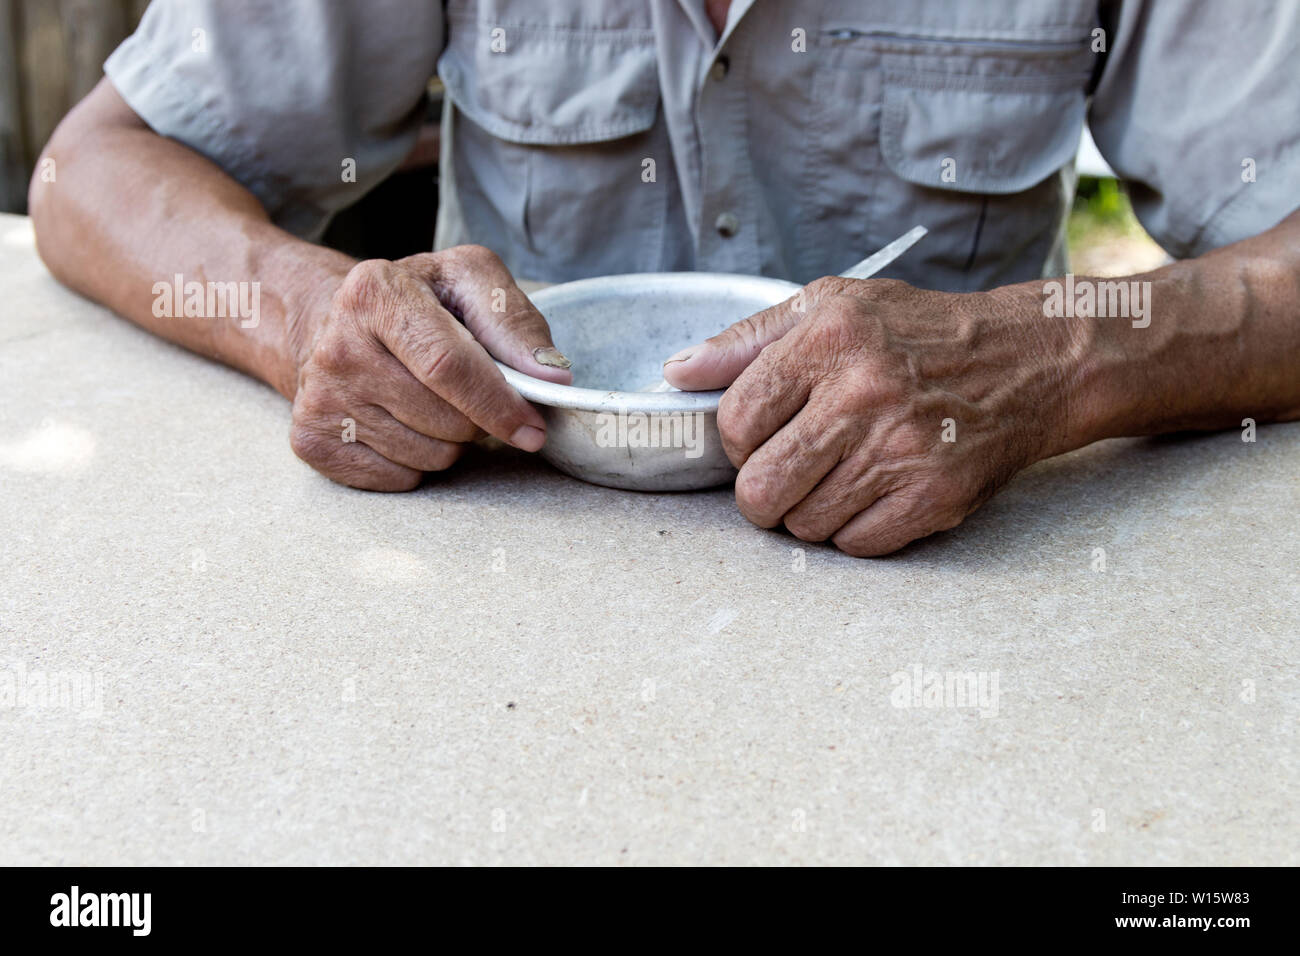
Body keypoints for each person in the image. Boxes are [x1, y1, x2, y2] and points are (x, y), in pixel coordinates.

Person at [28, 1, 1300, 556]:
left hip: (952, 577)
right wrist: (315, 315)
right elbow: (99, 169)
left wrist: (1056, 352)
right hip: (499, 586)